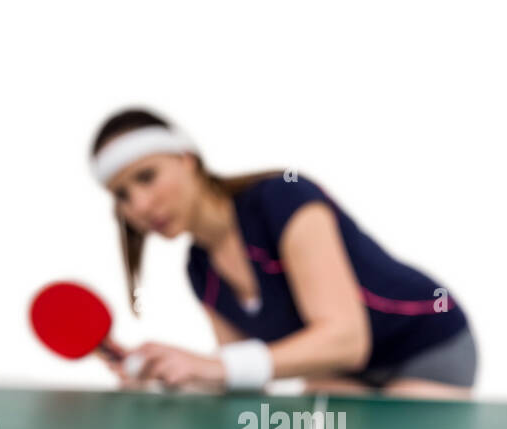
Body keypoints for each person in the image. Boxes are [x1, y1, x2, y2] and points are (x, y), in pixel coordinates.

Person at [90, 108, 477, 398]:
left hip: (426, 344)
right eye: (122, 194)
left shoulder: (283, 198)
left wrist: (213, 366)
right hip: (341, 371)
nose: (138, 204)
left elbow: (347, 340)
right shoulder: (200, 268)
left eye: (146, 176)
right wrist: (171, 376)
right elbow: (241, 374)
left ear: (186, 159)